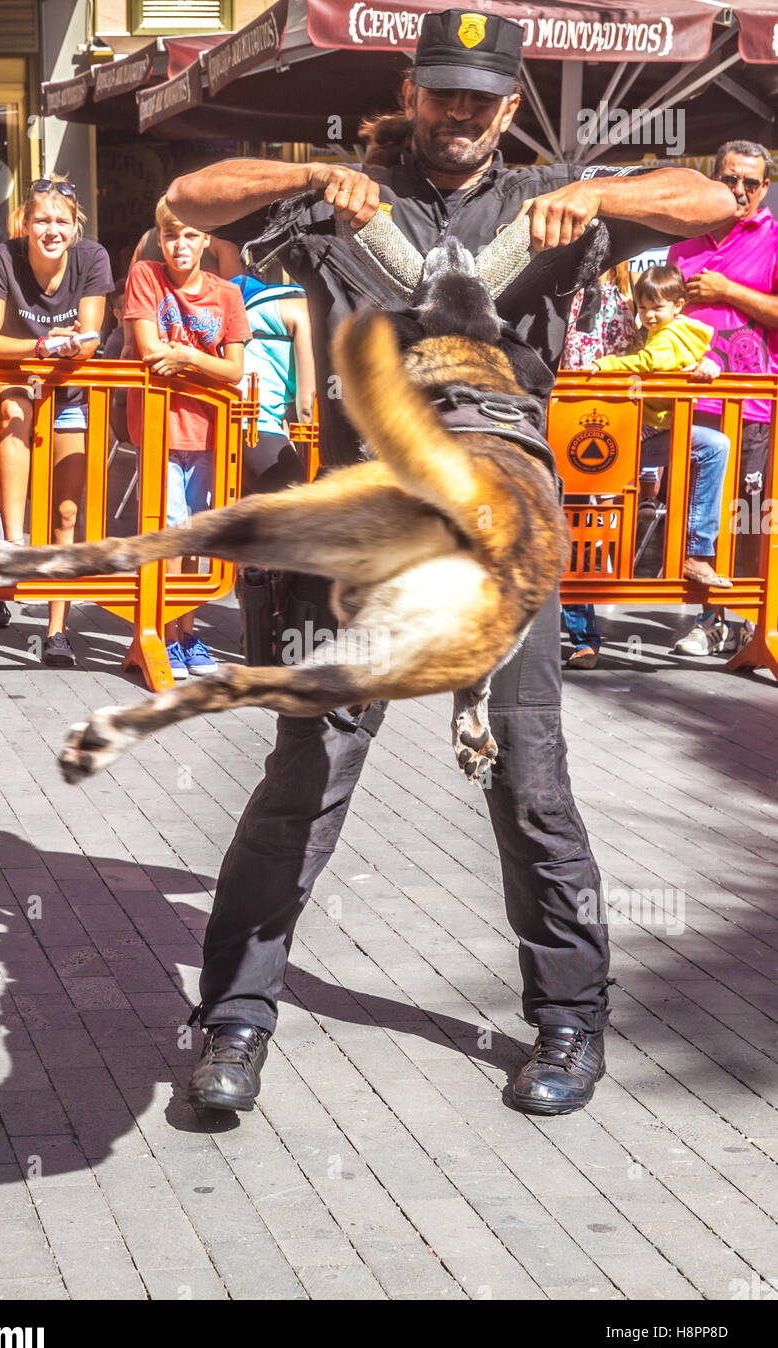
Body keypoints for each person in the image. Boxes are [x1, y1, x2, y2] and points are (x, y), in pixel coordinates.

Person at [165, 8, 737, 1118]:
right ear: (413, 92)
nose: (460, 113)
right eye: (443, 92)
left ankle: (570, 1020)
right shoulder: (343, 198)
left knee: (529, 775)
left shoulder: (547, 202)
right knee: (303, 782)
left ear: (509, 108)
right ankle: (233, 1019)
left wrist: (600, 194)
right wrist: (325, 176)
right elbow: (187, 201)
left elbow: (717, 197)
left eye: (481, 97)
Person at [0, 175, 114, 665]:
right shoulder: (2, 258)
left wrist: (76, 343)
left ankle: (57, 630)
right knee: (13, 415)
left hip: (70, 391)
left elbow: (92, 337)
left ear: (74, 225)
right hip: (17, 384)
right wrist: (40, 347)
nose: (51, 230)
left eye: (60, 221)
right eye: (41, 220)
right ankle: (12, 553)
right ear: (25, 223)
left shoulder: (92, 257)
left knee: (67, 512)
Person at [124, 196, 249, 679]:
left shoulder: (227, 295)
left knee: (197, 534)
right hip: (158, 428)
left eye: (191, 235)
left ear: (206, 241)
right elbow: (149, 349)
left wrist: (192, 359)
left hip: (209, 431)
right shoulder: (145, 276)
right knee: (171, 530)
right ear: (160, 236)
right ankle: (164, 635)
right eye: (172, 234)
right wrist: (196, 361)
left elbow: (234, 370)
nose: (180, 244)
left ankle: (186, 630)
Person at [666, 140, 778, 656]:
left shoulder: (773, 238)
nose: (738, 191)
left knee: (745, 514)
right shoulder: (682, 239)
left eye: (750, 183)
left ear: (765, 188)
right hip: (687, 400)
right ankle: (709, 615)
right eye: (729, 179)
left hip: (750, 403)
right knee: (691, 514)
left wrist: (727, 291)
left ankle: (735, 620)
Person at [591, 262, 732, 589]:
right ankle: (601, 561)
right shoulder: (667, 330)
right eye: (642, 308)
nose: (649, 315)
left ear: (678, 305)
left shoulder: (669, 336)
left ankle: (692, 553)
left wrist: (604, 365)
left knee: (715, 446)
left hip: (645, 428)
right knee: (716, 445)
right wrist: (707, 363)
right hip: (647, 426)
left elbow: (648, 363)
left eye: (657, 308)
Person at [231, 273, 315, 664]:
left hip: (233, 426)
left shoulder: (259, 306)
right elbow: (310, 404)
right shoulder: (304, 310)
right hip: (261, 428)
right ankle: (278, 639)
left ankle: (255, 635)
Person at [560, 264, 641, 670]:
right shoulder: (558, 287)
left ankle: (583, 636)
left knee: (581, 531)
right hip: (548, 417)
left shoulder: (620, 298)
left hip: (595, 431)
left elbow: (633, 368)